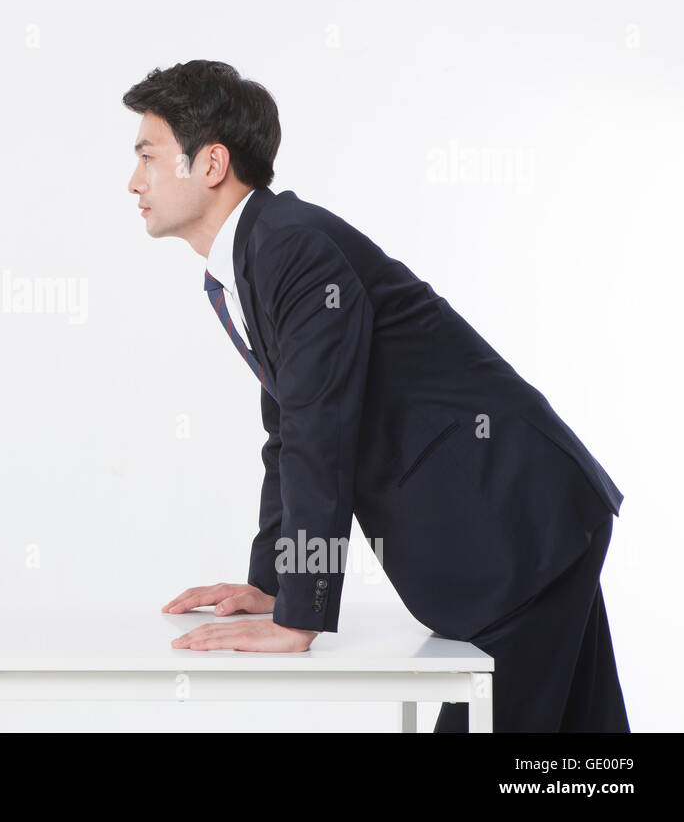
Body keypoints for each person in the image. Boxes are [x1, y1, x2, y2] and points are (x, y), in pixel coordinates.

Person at [126, 59, 628, 731]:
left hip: (513, 522)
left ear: (211, 163)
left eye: (149, 156)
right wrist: (274, 581)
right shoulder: (247, 263)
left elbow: (317, 431)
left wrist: (299, 614)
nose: (135, 181)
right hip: (530, 519)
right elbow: (289, 427)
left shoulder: (290, 248)